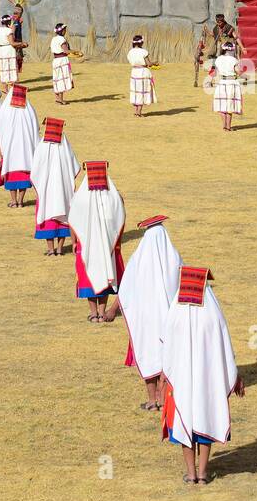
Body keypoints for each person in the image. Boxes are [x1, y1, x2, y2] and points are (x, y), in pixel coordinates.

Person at [162, 265, 243, 485]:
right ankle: (203, 473)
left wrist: (164, 375)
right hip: (208, 379)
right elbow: (225, 347)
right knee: (205, 417)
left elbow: (167, 347)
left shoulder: (175, 312)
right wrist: (234, 375)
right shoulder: (212, 313)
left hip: (182, 380)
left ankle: (190, 473)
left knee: (185, 419)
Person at [118, 215, 182, 411]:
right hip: (169, 318)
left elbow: (125, 289)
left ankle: (152, 400)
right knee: (166, 356)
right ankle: (164, 398)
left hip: (145, 319)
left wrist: (114, 310)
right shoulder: (174, 257)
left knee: (148, 354)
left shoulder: (139, 258)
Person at [70, 160, 126, 323]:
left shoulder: (80, 198)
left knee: (88, 274)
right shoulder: (114, 197)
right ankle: (101, 312)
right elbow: (121, 218)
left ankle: (94, 313)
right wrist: (117, 241)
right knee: (105, 273)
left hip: (85, 244)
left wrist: (74, 241)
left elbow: (73, 220)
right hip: (107, 245)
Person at [31, 117, 79, 256]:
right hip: (63, 190)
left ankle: (51, 249)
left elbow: (36, 168)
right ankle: (59, 248)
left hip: (46, 189)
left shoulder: (42, 146)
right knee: (63, 215)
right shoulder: (64, 144)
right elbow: (74, 166)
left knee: (47, 216)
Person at [0, 83, 40, 208]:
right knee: (23, 173)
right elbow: (35, 128)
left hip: (10, 148)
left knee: (11, 173)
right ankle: (20, 201)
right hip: (25, 148)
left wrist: (1, 146)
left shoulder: (5, 109)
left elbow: (0, 127)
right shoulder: (29, 110)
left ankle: (14, 201)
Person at [205, 41, 243, 131]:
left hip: (221, 83)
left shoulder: (218, 59)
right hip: (231, 83)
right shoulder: (234, 60)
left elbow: (214, 72)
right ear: (231, 50)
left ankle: (224, 127)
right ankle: (228, 127)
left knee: (222, 105)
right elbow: (238, 71)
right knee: (229, 106)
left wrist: (209, 80)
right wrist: (246, 76)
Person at [127, 34, 156, 116]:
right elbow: (149, 64)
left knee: (136, 91)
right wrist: (154, 63)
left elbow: (131, 62)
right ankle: (139, 112)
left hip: (134, 72)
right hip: (143, 73)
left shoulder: (130, 52)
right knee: (142, 91)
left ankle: (136, 111)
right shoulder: (144, 52)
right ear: (141, 43)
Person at [51, 22, 74, 104]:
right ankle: (61, 99)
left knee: (57, 78)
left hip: (56, 60)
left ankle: (57, 98)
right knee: (62, 78)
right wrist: (76, 52)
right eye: (64, 30)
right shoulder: (62, 39)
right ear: (62, 31)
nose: (65, 31)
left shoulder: (54, 39)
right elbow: (66, 51)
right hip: (62, 60)